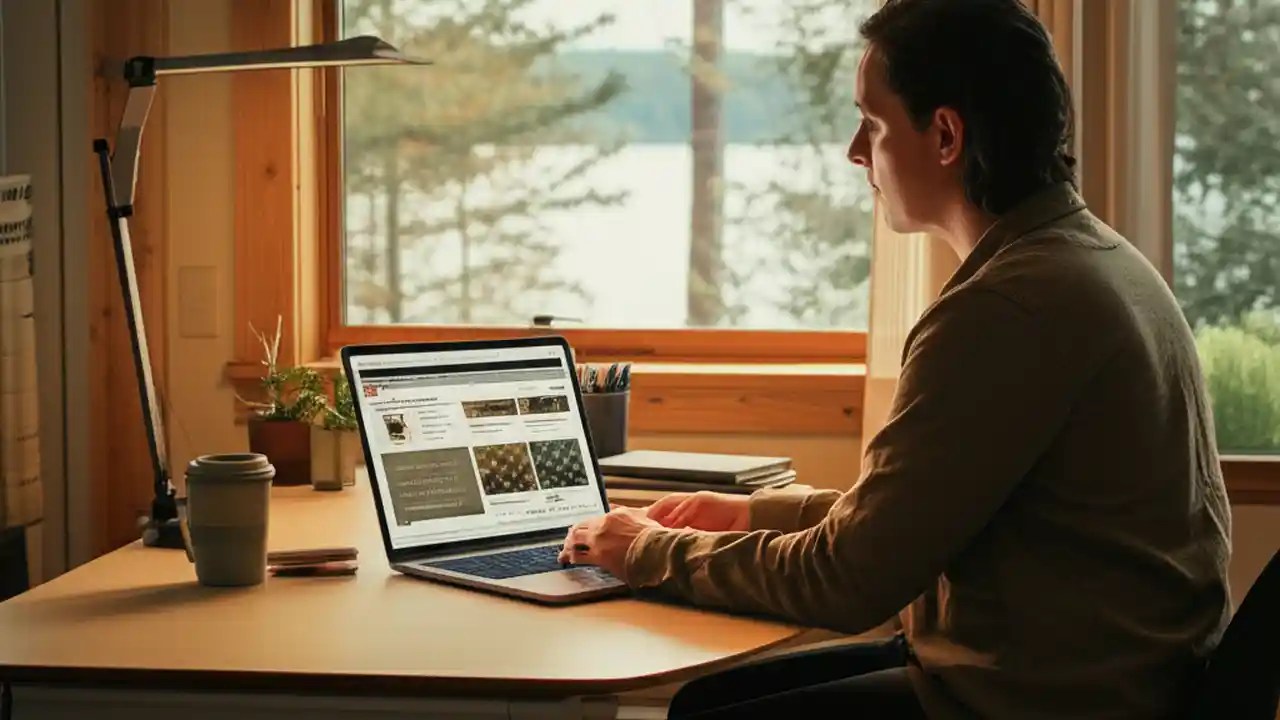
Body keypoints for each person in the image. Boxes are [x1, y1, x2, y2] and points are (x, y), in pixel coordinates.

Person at [559, 0, 1233, 717]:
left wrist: (647, 552)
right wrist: (748, 512)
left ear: (945, 135)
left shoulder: (1004, 312)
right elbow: (914, 519)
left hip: (1039, 700)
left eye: (872, 124)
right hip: (1110, 677)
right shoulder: (1092, 259)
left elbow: (847, 583)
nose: (855, 151)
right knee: (710, 700)